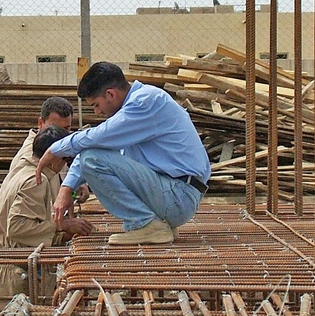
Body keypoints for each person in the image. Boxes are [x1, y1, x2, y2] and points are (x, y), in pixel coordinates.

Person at [35, 61, 210, 245]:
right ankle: (155, 224)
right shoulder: (135, 108)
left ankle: (146, 224)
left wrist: (56, 148)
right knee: (91, 156)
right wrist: (67, 188)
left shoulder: (145, 101)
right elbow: (99, 143)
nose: (97, 112)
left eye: (96, 105)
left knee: (91, 160)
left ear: (111, 94)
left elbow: (97, 140)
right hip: (175, 196)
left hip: (179, 197)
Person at [0, 126, 95, 298]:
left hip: (11, 267)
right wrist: (64, 224)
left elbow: (32, 228)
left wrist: (63, 235)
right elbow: (17, 228)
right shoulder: (36, 181)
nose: (64, 164)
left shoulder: (23, 170)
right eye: (64, 158)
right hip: (16, 274)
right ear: (53, 157)